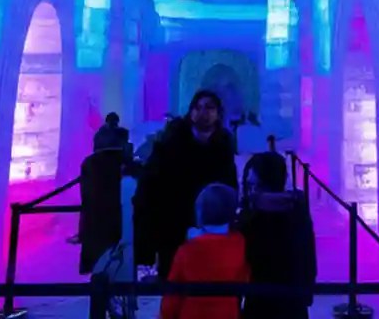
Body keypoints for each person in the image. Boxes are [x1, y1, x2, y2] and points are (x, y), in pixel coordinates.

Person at [135, 90, 239, 279]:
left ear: (218, 113)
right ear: (191, 112)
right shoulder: (171, 143)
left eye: (209, 108)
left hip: (210, 230)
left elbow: (228, 185)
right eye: (198, 108)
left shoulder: (223, 146)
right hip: (174, 227)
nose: (203, 113)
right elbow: (150, 187)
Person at [237, 151, 317, 319]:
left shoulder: (251, 217)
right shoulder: (297, 210)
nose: (251, 191)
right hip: (292, 301)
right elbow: (308, 258)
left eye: (255, 186)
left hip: (259, 300)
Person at [159, 183, 248, 319]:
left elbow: (172, 296)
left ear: (200, 212)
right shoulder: (240, 245)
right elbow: (244, 279)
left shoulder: (187, 250)